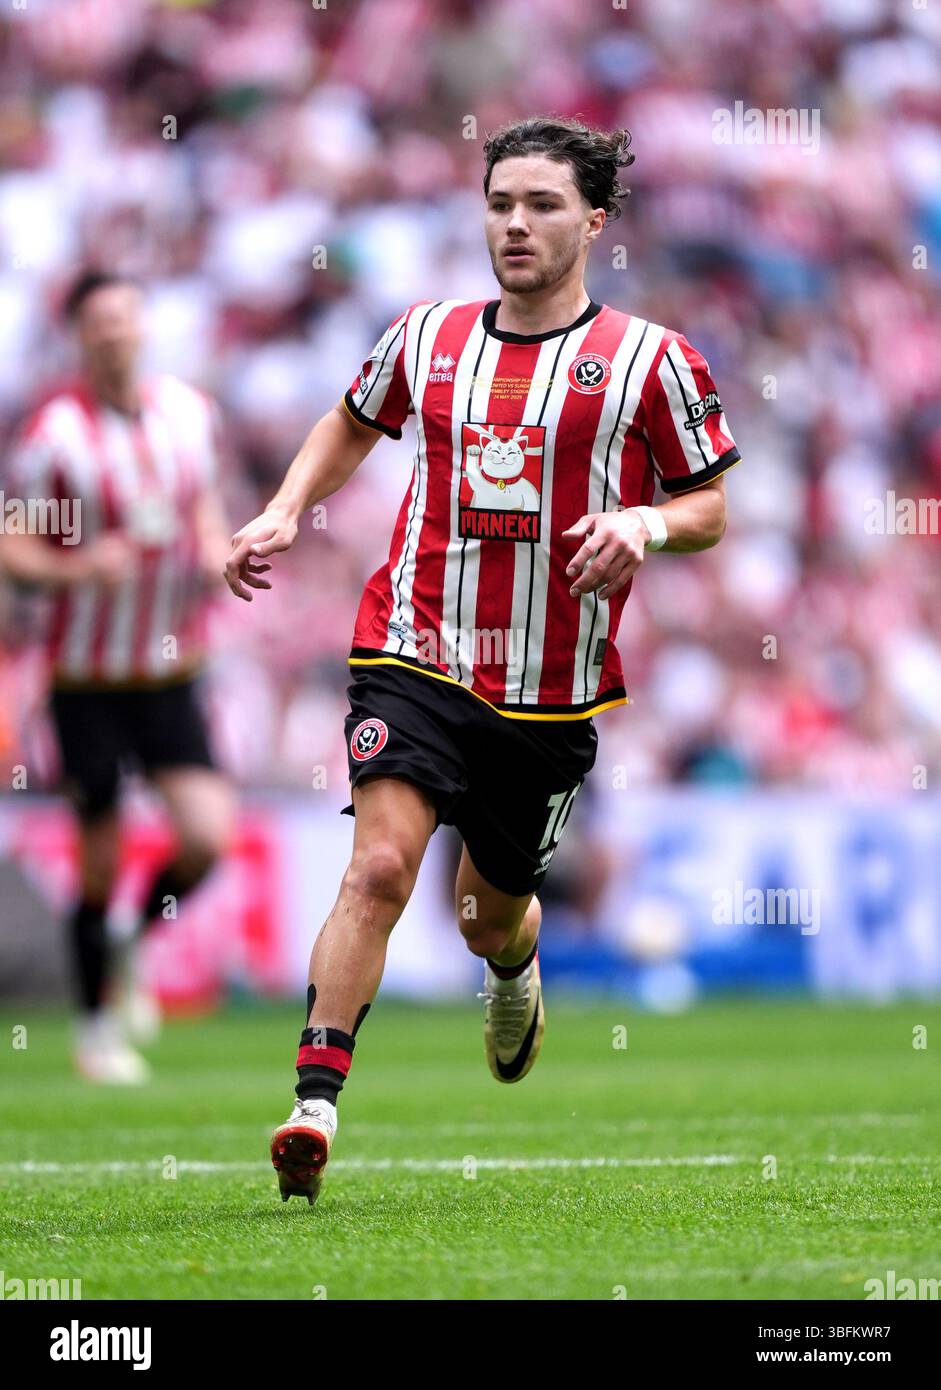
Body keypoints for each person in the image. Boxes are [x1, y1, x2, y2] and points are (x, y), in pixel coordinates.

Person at [224, 116, 741, 1205]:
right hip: (412, 644)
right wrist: (280, 509)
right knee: (376, 866)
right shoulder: (426, 333)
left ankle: (513, 966)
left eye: (542, 204)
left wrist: (642, 527)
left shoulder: (650, 359)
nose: (514, 223)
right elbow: (352, 422)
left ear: (593, 220)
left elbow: (707, 505)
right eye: (500, 202)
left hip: (549, 689)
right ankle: (314, 1103)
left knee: (484, 915)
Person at [1, 271, 236, 1083]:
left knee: (206, 835)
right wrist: (75, 568)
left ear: (143, 326)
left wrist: (212, 553)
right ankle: (95, 1024)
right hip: (86, 674)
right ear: (80, 334)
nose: (115, 332)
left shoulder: (188, 415)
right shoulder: (54, 433)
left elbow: (203, 509)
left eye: (126, 317)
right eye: (99, 321)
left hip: (172, 665)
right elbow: (13, 542)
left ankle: (135, 938)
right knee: (97, 858)